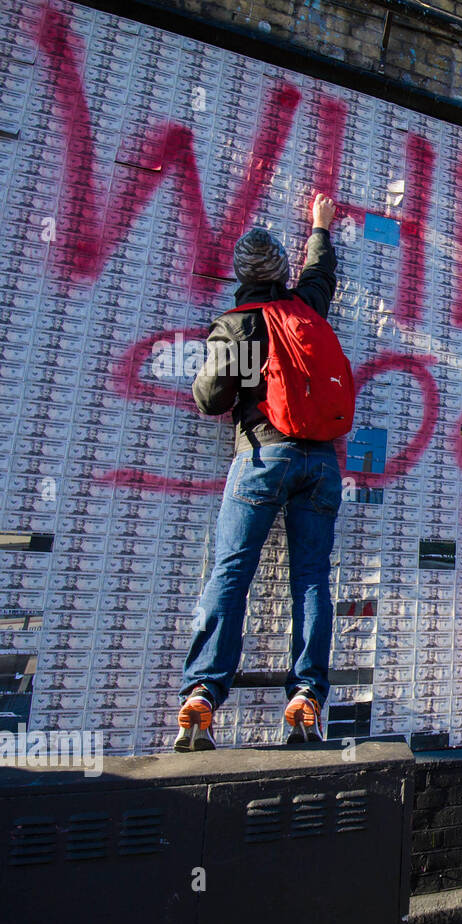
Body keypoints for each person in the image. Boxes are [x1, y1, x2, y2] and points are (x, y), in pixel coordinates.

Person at [175, 195, 344, 751]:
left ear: (241, 277)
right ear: (279, 273)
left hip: (263, 456)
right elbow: (320, 272)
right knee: (312, 579)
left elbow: (210, 399)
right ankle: (306, 698)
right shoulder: (306, 309)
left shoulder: (239, 324)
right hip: (321, 462)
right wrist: (320, 227)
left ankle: (203, 693)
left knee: (230, 573)